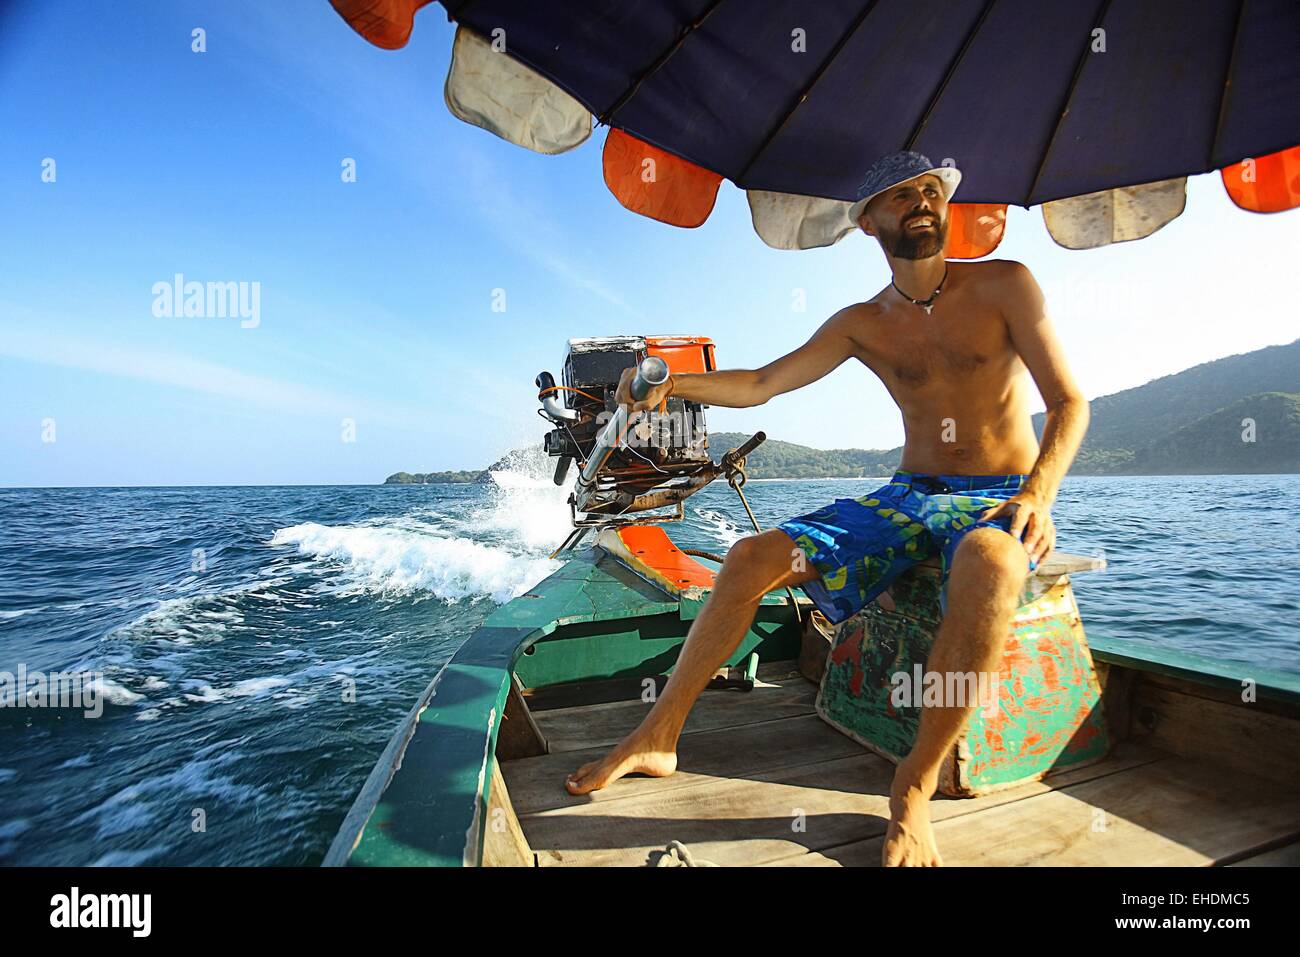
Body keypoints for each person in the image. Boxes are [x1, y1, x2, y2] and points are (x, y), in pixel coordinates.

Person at [564, 151, 1090, 866]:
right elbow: (761, 383)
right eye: (901, 195)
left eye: (931, 190)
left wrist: (1038, 493)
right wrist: (672, 385)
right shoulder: (863, 322)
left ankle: (913, 783)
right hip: (909, 493)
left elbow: (1069, 402)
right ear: (868, 221)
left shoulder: (1005, 285)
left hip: (1000, 493)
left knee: (992, 561)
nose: (923, 202)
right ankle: (658, 734)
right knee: (749, 557)